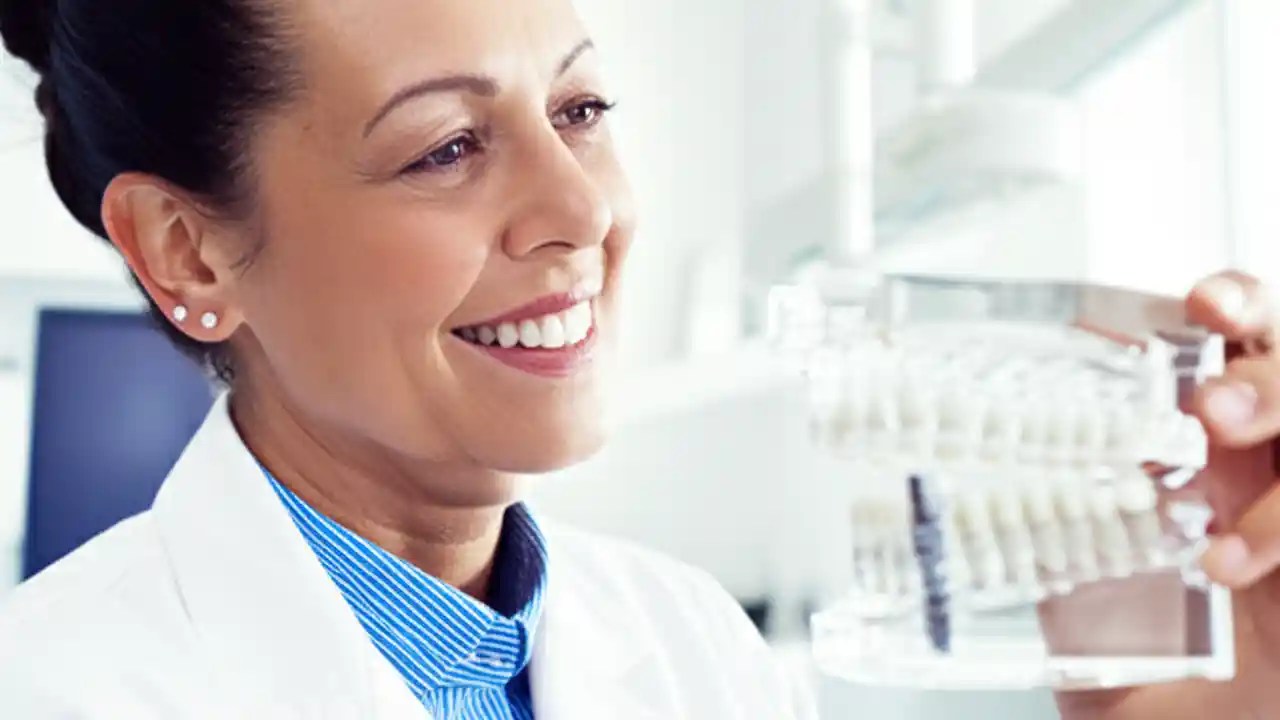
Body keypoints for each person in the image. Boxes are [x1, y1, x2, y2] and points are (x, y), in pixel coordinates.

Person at [0, 2, 1276, 719]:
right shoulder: (58, 692)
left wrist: (1182, 697)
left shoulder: (687, 649)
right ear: (186, 252)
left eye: (579, 112)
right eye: (444, 147)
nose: (580, 208)